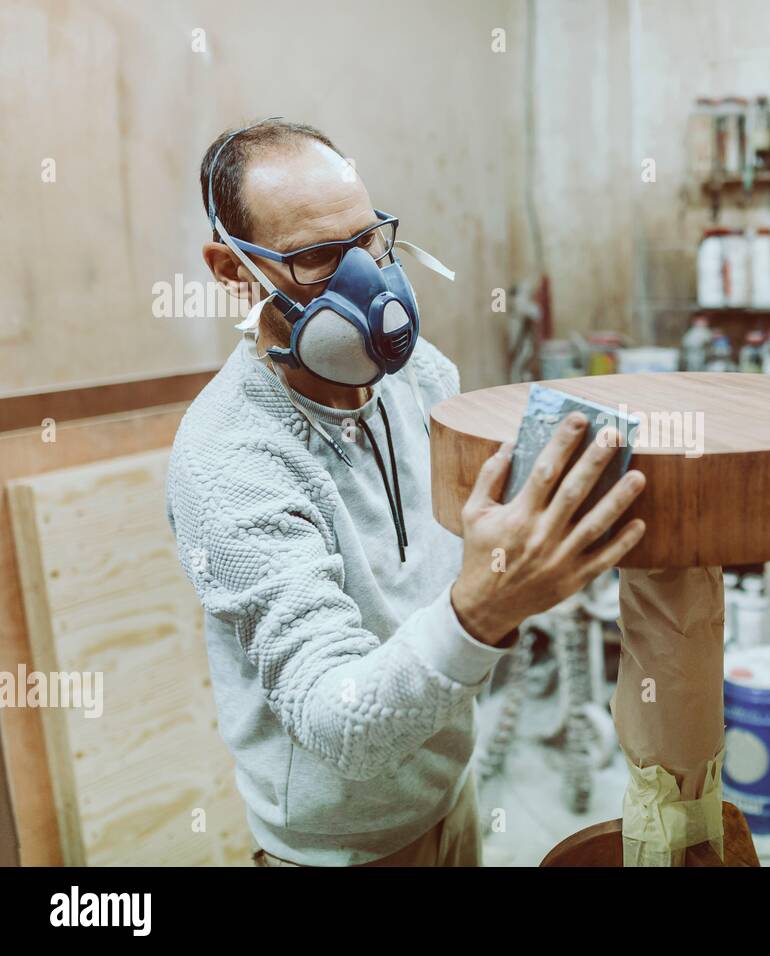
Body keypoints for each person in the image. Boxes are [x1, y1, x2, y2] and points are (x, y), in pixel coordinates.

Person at [166, 118, 645, 866]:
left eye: (369, 241)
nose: (369, 283)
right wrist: (491, 602)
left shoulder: (419, 375)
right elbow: (338, 724)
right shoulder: (227, 456)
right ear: (232, 271)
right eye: (320, 258)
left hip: (450, 795)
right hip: (336, 847)